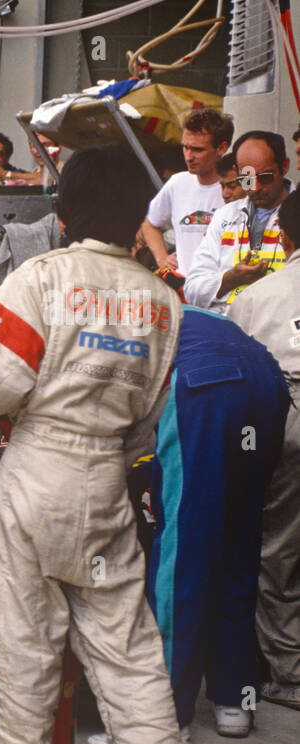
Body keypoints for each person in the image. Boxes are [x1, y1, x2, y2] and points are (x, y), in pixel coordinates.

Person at [0, 146, 209, 744]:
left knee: (27, 649)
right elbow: (149, 416)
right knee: (129, 653)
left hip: (35, 477)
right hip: (106, 483)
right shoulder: (162, 301)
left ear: (60, 215)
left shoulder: (40, 278)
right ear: (136, 218)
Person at [85, 305, 288, 744]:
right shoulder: (181, 309)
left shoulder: (91, 323)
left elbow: (103, 423)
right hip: (266, 388)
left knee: (180, 559)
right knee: (238, 539)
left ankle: (160, 728)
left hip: (203, 389)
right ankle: (235, 700)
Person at [227, 190, 300, 710]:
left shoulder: (258, 296)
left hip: (287, 420)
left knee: (279, 547)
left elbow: (239, 378)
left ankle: (289, 672)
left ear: (285, 236)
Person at [184, 130, 292, 312]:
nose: (256, 188)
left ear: (285, 166)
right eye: (247, 179)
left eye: (265, 177)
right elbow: (192, 290)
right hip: (226, 329)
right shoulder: (225, 215)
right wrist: (230, 279)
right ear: (236, 172)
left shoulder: (295, 211)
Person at [140, 109, 234, 275]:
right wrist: (162, 259)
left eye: (198, 150)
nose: (189, 157)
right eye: (185, 147)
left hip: (222, 291)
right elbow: (149, 223)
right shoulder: (178, 182)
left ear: (221, 148)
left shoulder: (238, 191)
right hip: (184, 290)